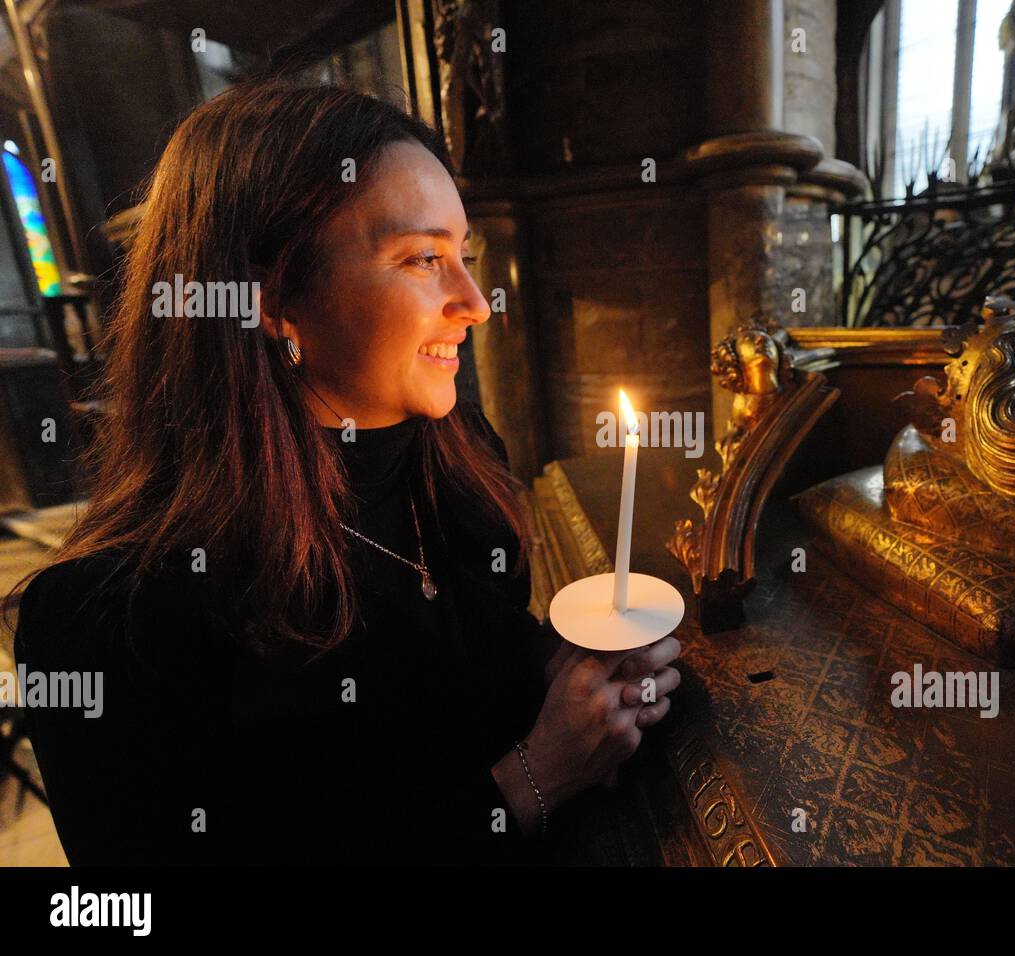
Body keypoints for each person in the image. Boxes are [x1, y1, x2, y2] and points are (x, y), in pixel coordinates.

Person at [12, 80, 681, 865]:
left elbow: (466, 674)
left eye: (464, 256)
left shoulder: (459, 454)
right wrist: (531, 780)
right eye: (423, 258)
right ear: (271, 298)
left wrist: (571, 672)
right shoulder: (108, 622)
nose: (475, 303)